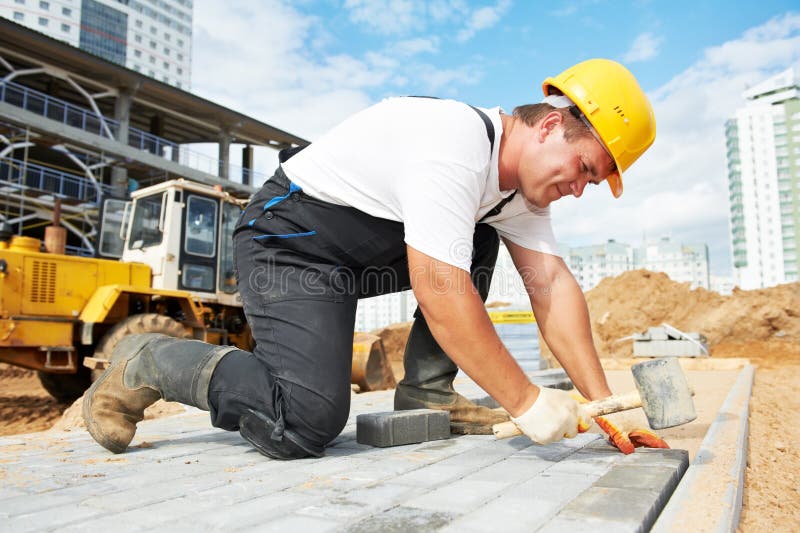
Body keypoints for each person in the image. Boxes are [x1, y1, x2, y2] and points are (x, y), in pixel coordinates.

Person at [84, 58, 657, 459]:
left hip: (351, 258)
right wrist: (526, 402)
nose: (580, 190)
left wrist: (603, 405)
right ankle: (149, 360)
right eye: (586, 169)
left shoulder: (516, 195)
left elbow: (552, 287)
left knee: (479, 234)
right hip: (286, 242)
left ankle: (428, 391)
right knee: (305, 422)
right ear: (552, 125)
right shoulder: (453, 140)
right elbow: (439, 287)